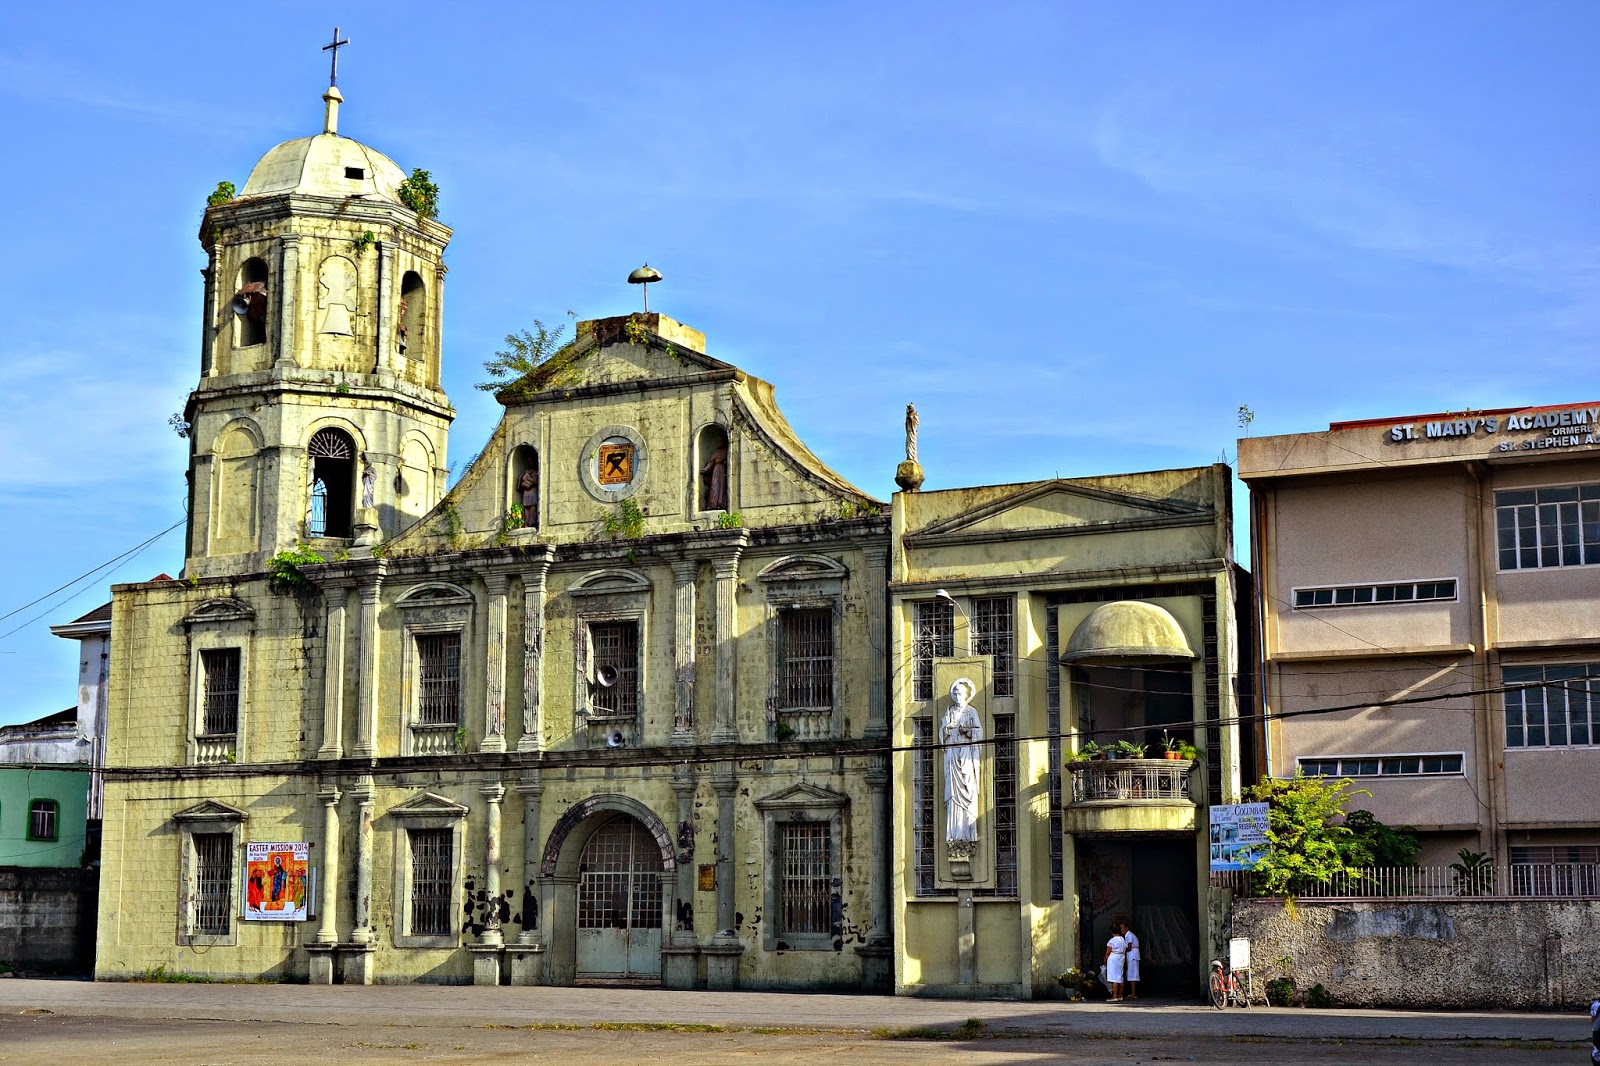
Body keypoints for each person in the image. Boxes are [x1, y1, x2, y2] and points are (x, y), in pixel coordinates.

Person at [942, 678, 983, 849]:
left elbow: (979, 733)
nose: (958, 696)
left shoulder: (971, 712)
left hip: (967, 756)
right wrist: (947, 729)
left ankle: (968, 833)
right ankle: (954, 835)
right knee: (953, 795)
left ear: (967, 695)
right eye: (956, 693)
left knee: (969, 791)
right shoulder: (949, 712)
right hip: (952, 757)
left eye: (961, 694)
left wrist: (969, 732)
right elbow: (942, 733)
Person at [1104, 923, 1128, 1002]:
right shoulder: (1122, 939)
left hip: (1114, 957)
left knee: (1114, 977)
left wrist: (1105, 960)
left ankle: (1115, 996)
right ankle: (1120, 995)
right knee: (1120, 977)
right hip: (1121, 957)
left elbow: (1108, 952)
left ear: (1112, 932)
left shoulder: (1112, 940)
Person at [1122, 920, 1141, 999]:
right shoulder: (1127, 935)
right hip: (1132, 955)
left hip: (1132, 955)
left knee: (1132, 974)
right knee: (1131, 974)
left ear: (1126, 928)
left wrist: (1122, 951)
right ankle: (1132, 993)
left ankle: (1134, 994)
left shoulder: (1129, 935)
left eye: (1122, 928)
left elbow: (1129, 947)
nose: (1121, 930)